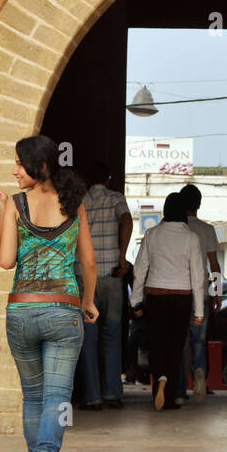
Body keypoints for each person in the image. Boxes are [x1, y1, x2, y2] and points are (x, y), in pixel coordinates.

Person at [0, 135, 98, 452]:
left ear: (42, 166)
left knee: (33, 397)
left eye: (20, 163)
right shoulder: (73, 203)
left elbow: (5, 261)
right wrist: (88, 301)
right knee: (57, 397)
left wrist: (5, 212)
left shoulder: (16, 204)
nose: (14, 170)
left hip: (21, 312)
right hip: (64, 311)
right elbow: (89, 263)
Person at [130, 192, 206, 411]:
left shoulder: (152, 234)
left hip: (155, 297)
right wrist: (199, 311)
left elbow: (140, 269)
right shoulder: (191, 238)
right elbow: (198, 276)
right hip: (181, 298)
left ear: (165, 210)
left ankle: (158, 384)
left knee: (157, 345)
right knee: (175, 348)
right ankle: (170, 395)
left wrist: (136, 301)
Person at [76, 160, 132, 411]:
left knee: (88, 337)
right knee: (112, 335)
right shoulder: (116, 198)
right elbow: (128, 221)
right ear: (108, 179)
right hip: (111, 273)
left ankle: (92, 397)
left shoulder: (79, 201)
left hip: (84, 276)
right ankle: (112, 393)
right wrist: (122, 256)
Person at [179, 183, 221, 403]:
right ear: (199, 204)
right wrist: (218, 293)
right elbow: (214, 265)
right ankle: (199, 376)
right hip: (201, 292)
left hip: (178, 291)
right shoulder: (207, 230)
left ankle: (179, 386)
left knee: (180, 340)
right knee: (199, 339)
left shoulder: (176, 228)